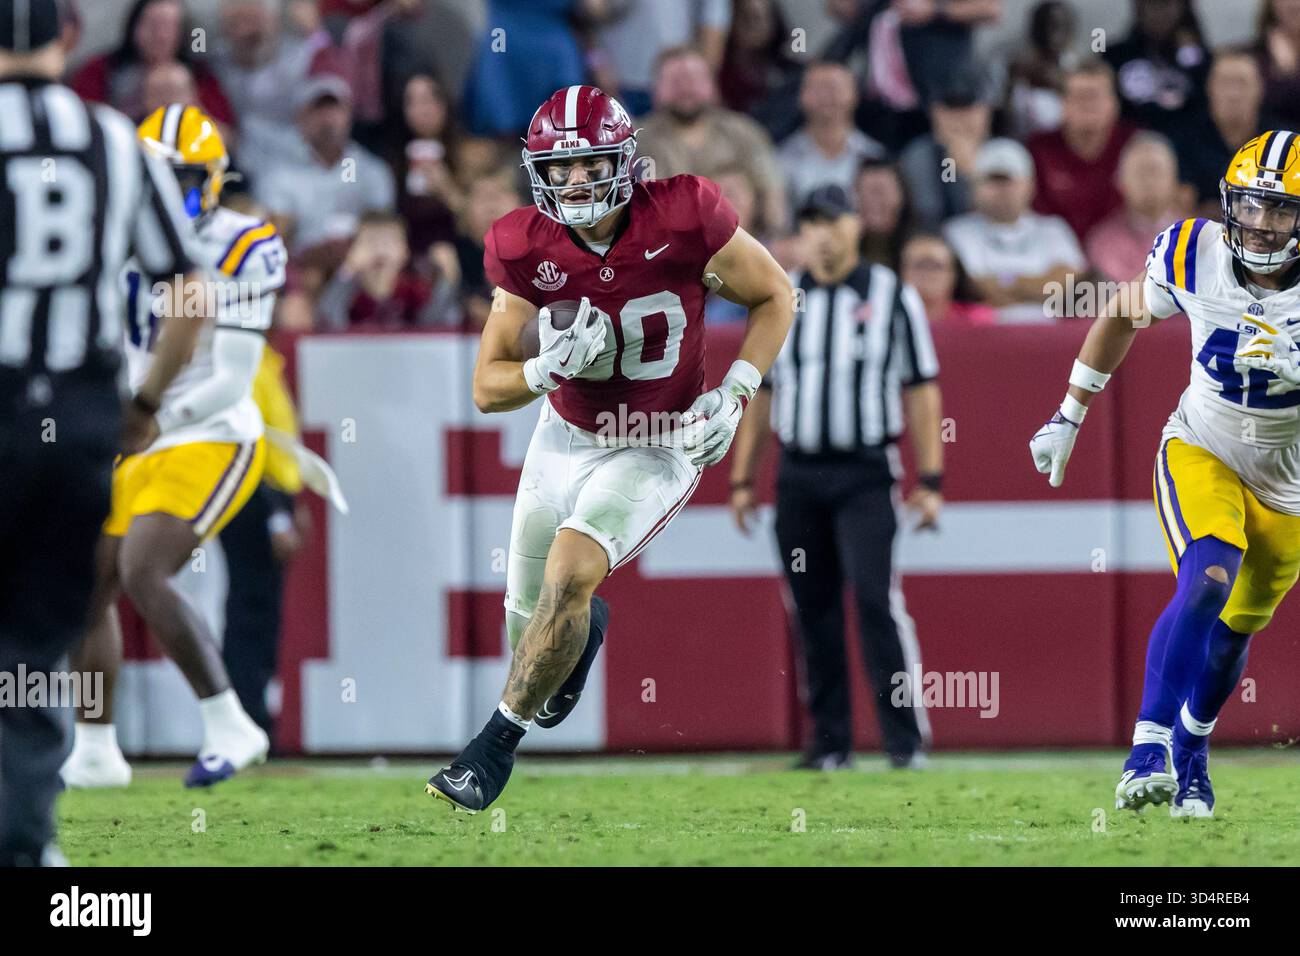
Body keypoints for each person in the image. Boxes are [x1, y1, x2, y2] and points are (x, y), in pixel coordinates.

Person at [425, 85, 793, 813]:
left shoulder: (685, 212)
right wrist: (543, 369)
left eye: (591, 165)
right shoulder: (524, 242)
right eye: (559, 171)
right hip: (561, 436)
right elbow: (486, 386)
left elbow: (776, 294)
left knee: (568, 575)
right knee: (534, 640)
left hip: (658, 441)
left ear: (625, 162)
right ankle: (577, 634)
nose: (575, 183)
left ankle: (490, 751)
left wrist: (740, 388)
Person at [1029, 130, 1300, 819]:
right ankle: (1147, 748)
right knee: (1210, 574)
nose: (1261, 225)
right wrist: (1069, 411)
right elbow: (1122, 313)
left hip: (1290, 488)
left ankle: (1193, 750)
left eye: (1281, 210)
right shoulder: (1194, 251)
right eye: (1251, 206)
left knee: (1233, 635)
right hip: (1202, 449)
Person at [0, 0, 198, 863]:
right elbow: (189, 293)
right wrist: (146, 401)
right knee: (39, 638)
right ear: (70, 37)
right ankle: (29, 838)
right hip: (78, 417)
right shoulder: (119, 141)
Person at [61, 105, 285, 790]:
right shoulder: (102, 232)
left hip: (209, 431)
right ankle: (96, 748)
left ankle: (231, 724)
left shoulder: (243, 241)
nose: (171, 194)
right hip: (136, 428)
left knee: (142, 569)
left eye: (184, 179)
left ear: (214, 179)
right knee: (86, 586)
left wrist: (151, 415)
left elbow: (231, 380)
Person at [729, 184, 943, 770]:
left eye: (831, 220)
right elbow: (762, 391)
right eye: (810, 222)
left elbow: (921, 387)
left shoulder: (892, 295)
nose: (821, 233)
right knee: (811, 605)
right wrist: (743, 480)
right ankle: (829, 743)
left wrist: (930, 478)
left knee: (875, 599)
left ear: (855, 225)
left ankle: (904, 741)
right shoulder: (781, 295)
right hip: (798, 475)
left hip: (865, 472)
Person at [635, 45, 788, 236]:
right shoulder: (635, 140)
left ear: (712, 84)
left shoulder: (743, 131)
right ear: (655, 89)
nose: (685, 88)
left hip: (744, 243)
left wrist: (774, 241)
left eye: (693, 80)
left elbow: (772, 193)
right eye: (674, 81)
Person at [254, 73, 396, 262]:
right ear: (300, 119)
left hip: (359, 266)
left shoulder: (370, 171)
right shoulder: (281, 174)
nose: (328, 119)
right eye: (318, 110)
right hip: (300, 269)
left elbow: (383, 229)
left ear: (349, 115)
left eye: (335, 109)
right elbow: (273, 239)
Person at [943, 138, 1086, 323]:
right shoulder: (956, 232)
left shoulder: (1054, 229)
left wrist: (1003, 282)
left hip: (1050, 338)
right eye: (992, 180)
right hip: (982, 336)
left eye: (1008, 181)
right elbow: (973, 288)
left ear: (1030, 185)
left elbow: (1072, 285)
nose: (1001, 190)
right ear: (975, 187)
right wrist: (1039, 285)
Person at [68, 0, 234, 127]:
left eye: (169, 27)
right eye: (153, 25)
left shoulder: (200, 76)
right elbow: (78, 122)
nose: (160, 36)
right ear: (134, 26)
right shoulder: (101, 70)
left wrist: (189, 104)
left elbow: (229, 139)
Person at [1027, 61, 1135, 244]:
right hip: (1055, 257)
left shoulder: (1135, 147)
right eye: (1079, 96)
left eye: (1095, 96)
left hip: (1123, 256)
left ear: (1114, 104)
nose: (1088, 105)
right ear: (1063, 104)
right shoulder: (1038, 150)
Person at [776, 61, 886, 213]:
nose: (825, 97)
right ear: (801, 96)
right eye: (816, 89)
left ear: (854, 94)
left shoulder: (875, 157)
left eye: (834, 88)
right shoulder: (781, 159)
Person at [1176, 47, 1274, 216]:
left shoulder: (1281, 142)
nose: (1233, 94)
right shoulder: (1183, 140)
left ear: (1260, 89)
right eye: (1225, 83)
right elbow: (1181, 208)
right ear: (1209, 88)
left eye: (1242, 83)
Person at [1086, 132, 1187, 284]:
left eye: (1155, 171)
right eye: (1139, 172)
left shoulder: (1197, 237)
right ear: (1120, 181)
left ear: (1174, 179)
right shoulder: (1102, 242)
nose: (1148, 181)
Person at [1102, 0, 1209, 139]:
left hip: (1188, 145)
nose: (1159, 13)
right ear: (1139, 8)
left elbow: (1203, 106)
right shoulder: (1115, 56)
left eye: (1167, 4)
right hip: (1131, 144)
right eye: (1152, 4)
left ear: (1183, 8)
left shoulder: (1199, 57)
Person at [1005, 0, 1077, 138]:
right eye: (1045, 26)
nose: (1053, 36)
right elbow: (1006, 118)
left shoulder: (1077, 67)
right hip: (1026, 140)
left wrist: (1059, 83)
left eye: (1059, 27)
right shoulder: (1019, 66)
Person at [899, 233, 994, 326]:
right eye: (920, 265)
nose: (927, 274)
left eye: (936, 266)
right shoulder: (889, 318)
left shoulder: (977, 319)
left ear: (954, 275)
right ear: (902, 272)